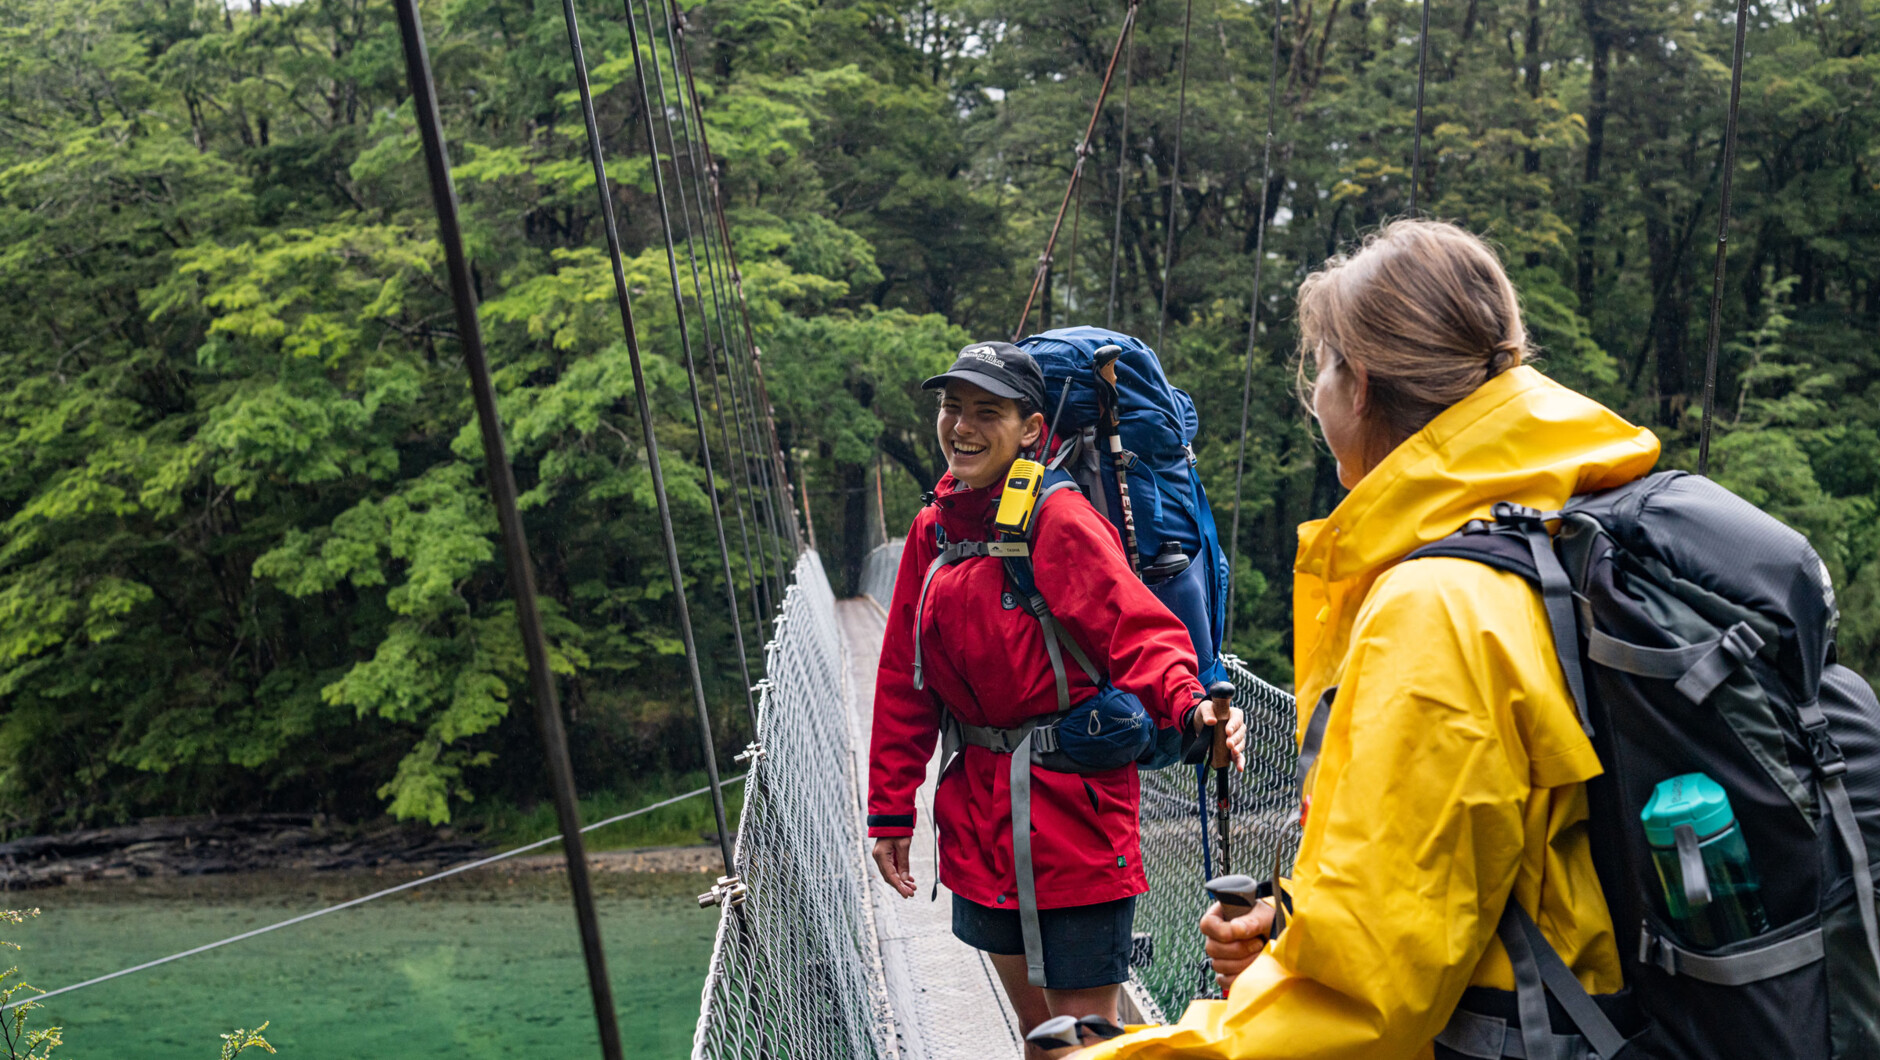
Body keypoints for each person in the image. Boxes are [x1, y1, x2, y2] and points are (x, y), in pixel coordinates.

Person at [1071, 219, 1661, 1059]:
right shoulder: (1550, 522)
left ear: (1362, 387)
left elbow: (1365, 1002)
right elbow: (1477, 865)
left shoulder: (1436, 610)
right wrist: (1296, 922)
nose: (1314, 393)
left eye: (1321, 366)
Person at [867, 340, 1247, 1054]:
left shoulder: (1059, 518)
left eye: (988, 412)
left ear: (1032, 431)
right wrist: (891, 808)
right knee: (1039, 1035)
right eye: (952, 406)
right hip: (978, 819)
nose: (962, 426)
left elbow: (1135, 627)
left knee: (1083, 1041)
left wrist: (1189, 702)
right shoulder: (935, 530)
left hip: (1074, 818)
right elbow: (903, 679)